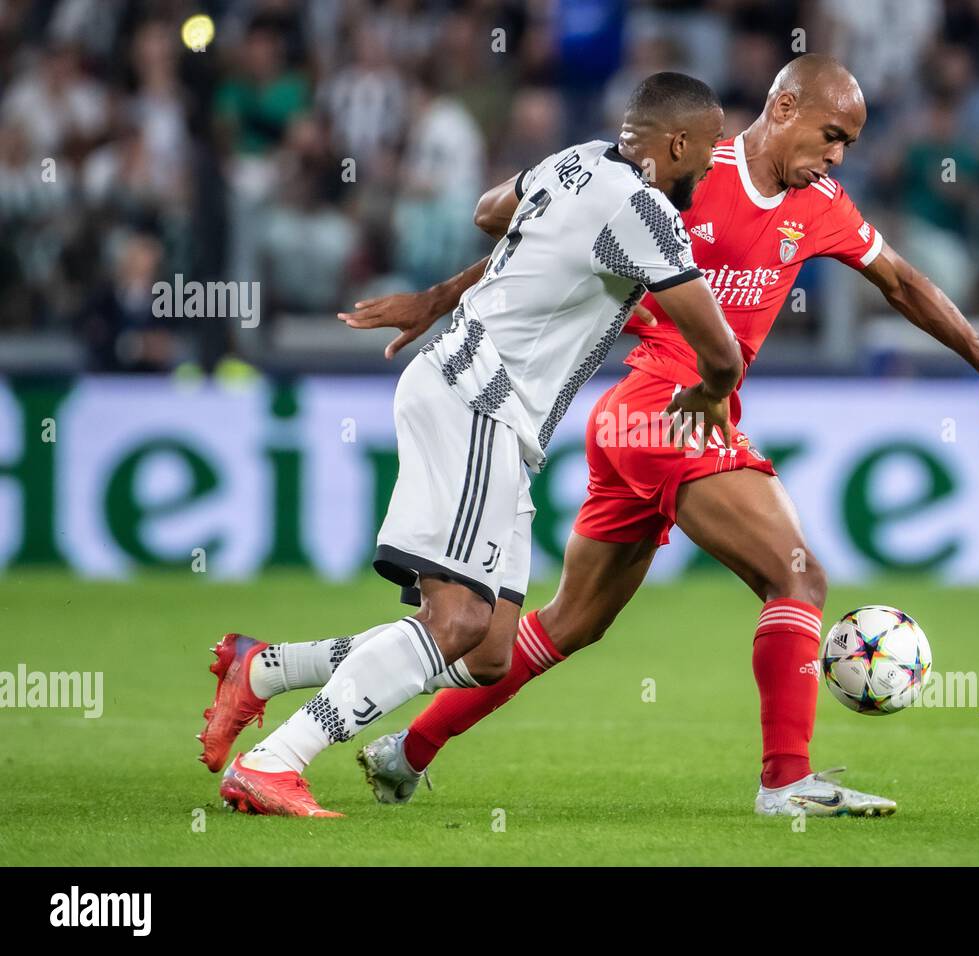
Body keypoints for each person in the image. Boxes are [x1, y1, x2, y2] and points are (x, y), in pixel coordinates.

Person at [203, 72, 743, 817]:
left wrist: (447, 292)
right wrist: (713, 391)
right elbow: (720, 350)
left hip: (482, 402)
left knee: (488, 650)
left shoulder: (577, 161)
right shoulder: (644, 210)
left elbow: (492, 211)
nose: (714, 165)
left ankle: (262, 670)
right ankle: (275, 761)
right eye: (711, 148)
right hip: (479, 399)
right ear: (677, 143)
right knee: (452, 622)